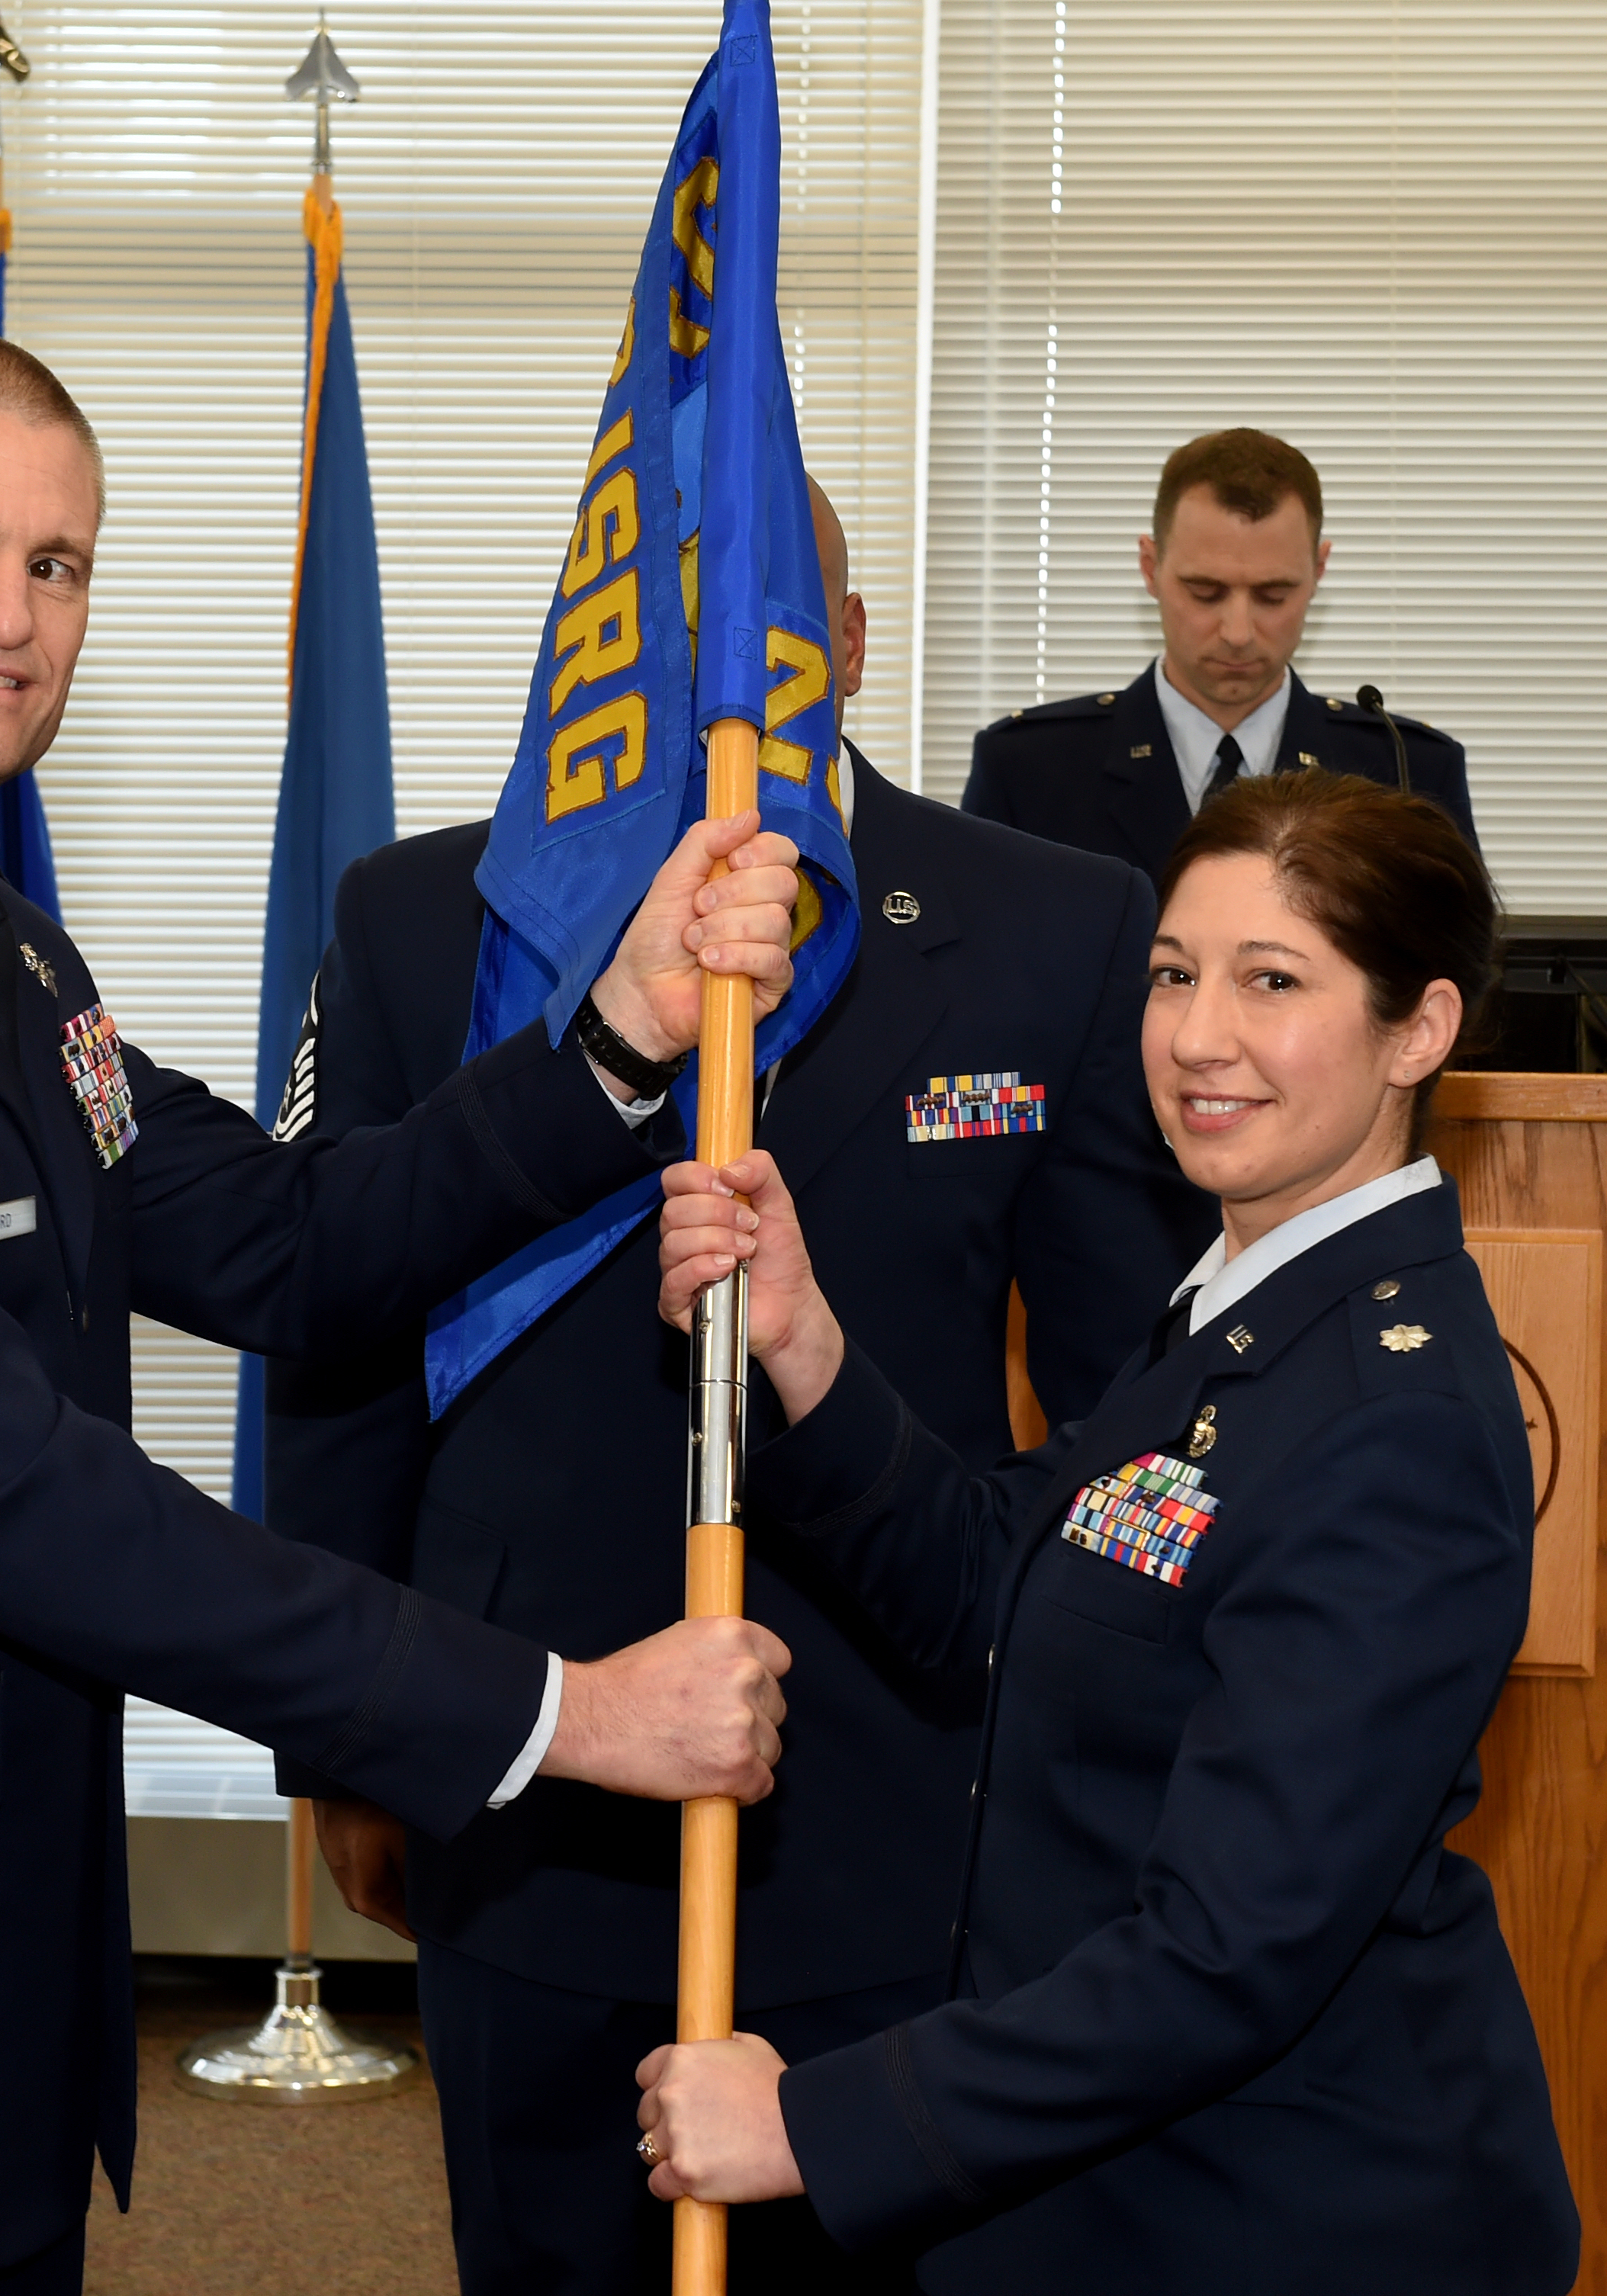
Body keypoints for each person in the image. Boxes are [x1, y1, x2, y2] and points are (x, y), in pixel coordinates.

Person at [0, 326, 807, 2296]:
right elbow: (29, 1502)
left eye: (58, 564)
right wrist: (559, 1713)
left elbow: (286, 1238)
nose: (8, 616)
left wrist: (616, 1039)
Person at [261, 483, 1207, 2292]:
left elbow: (1119, 1400)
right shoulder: (422, 926)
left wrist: (1092, 1738)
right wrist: (359, 1736)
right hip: (536, 1786)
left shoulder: (1053, 925)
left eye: (779, 628)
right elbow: (339, 1341)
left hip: (904, 1797)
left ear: (851, 643)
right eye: (682, 629)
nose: (732, 682)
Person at [638, 772, 1582, 2294]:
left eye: (1271, 981)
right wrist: (805, 1346)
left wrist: (817, 2125)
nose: (1197, 1036)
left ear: (1416, 1029)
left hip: (1288, 2225)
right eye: (1170, 974)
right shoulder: (1241, 1314)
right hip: (1124, 2197)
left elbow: (1224, 1954)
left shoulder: (1386, 1416)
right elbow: (1002, 1592)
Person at [960, 429, 1477, 885]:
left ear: (1319, 570)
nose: (1237, 632)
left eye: (1273, 595)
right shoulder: (1029, 771)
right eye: (1205, 592)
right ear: (1150, 566)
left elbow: (1457, 982)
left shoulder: (1407, 771)